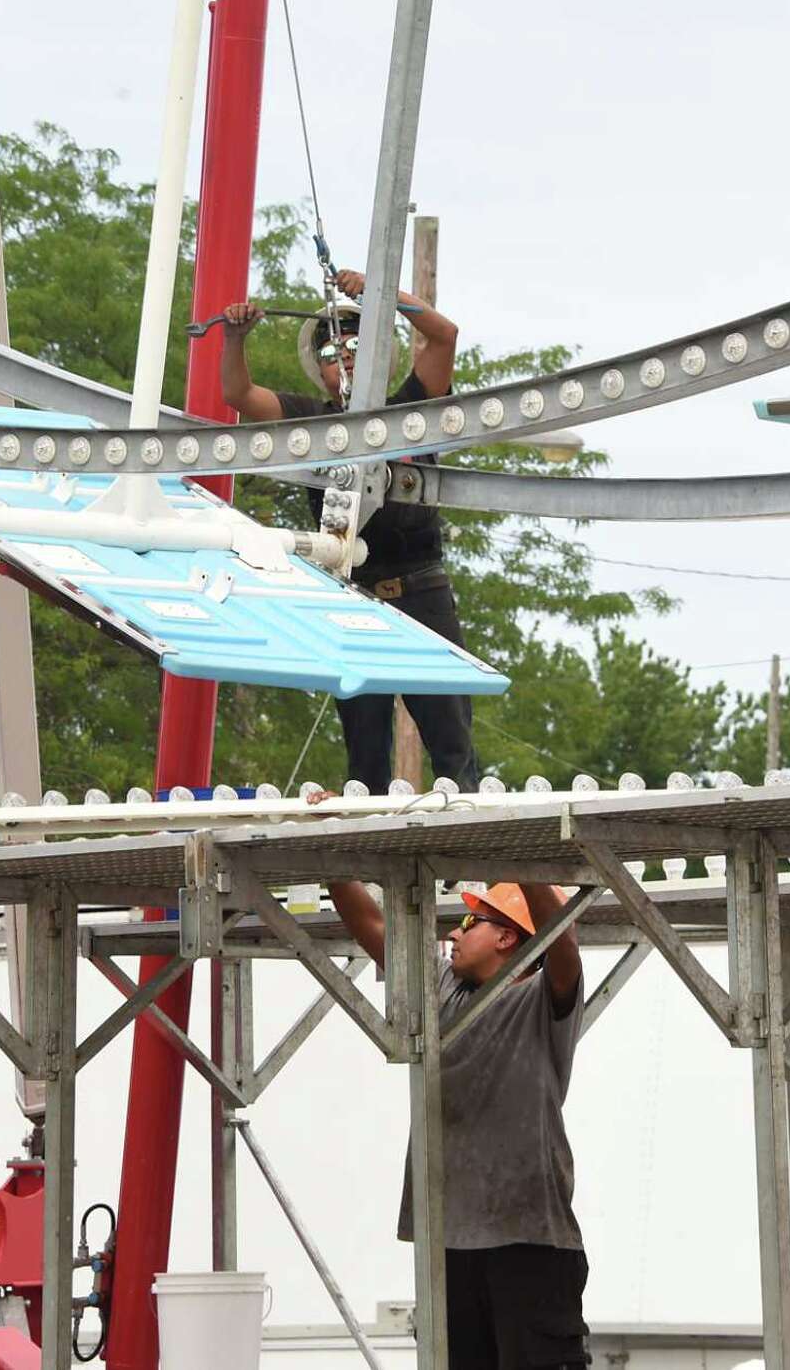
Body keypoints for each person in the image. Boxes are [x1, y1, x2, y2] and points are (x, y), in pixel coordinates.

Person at [219, 270, 482, 790]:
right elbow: (239, 394)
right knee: (365, 751)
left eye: (358, 346)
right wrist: (235, 337)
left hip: (421, 589)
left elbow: (445, 335)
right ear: (321, 371)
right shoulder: (310, 418)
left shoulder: (412, 407)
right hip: (353, 595)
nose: (345, 359)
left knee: (452, 740)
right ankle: (374, 854)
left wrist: (383, 294)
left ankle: (476, 847)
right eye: (332, 354)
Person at [324, 877, 587, 1369]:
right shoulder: (441, 988)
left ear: (508, 937)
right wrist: (334, 865)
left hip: (529, 1241)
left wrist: (517, 858)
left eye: (472, 922)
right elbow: (371, 924)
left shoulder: (540, 1001)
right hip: (449, 1241)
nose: (457, 933)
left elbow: (564, 945)